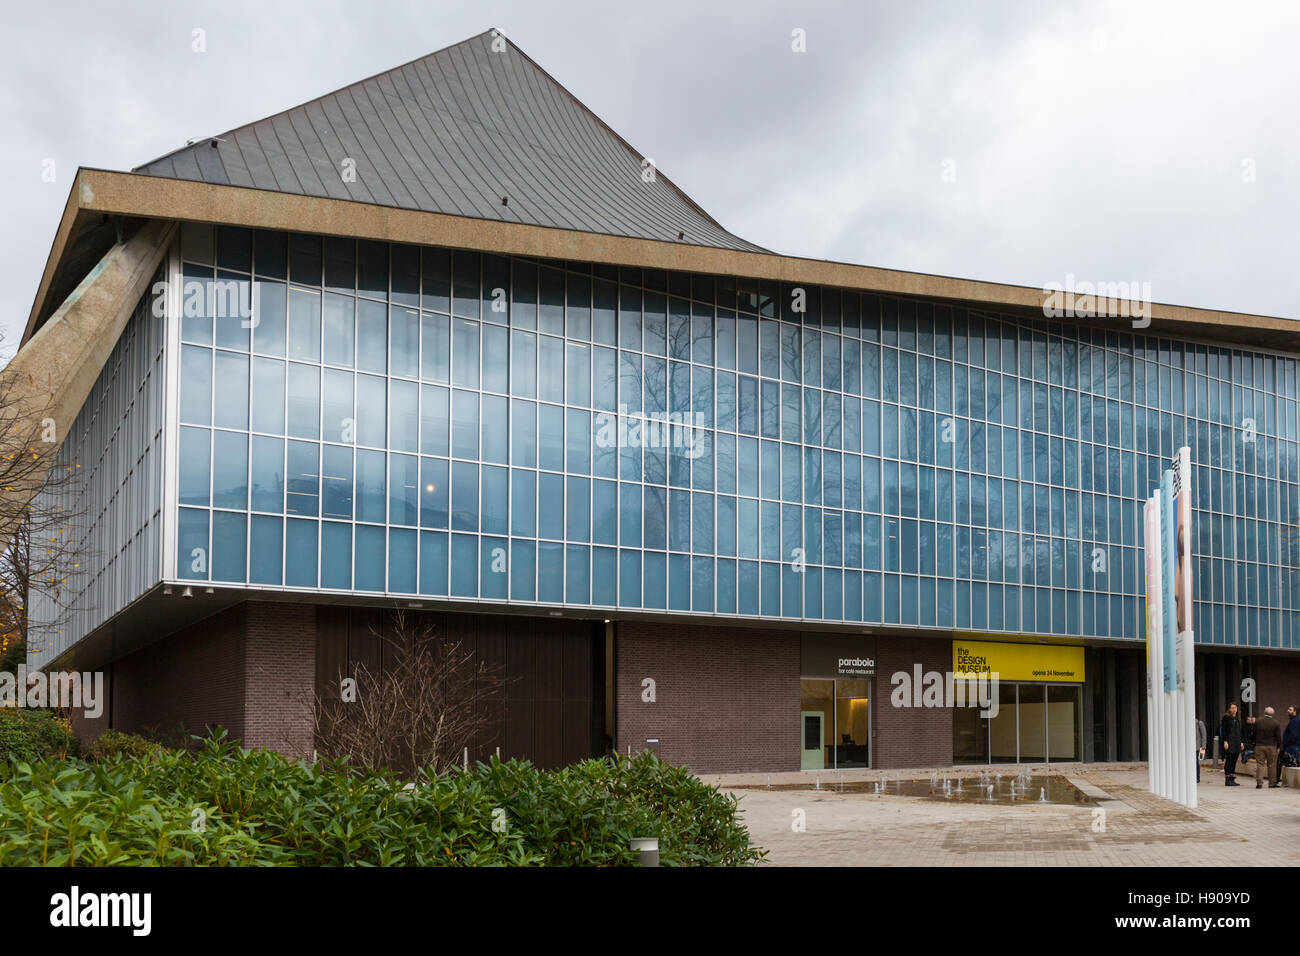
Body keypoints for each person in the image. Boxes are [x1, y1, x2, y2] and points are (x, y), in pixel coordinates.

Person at [1255, 706, 1282, 789]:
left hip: (1259, 745)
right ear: (1272, 714)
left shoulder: (1258, 721)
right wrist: (1278, 746)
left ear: (1264, 712)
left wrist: (1255, 742)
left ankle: (1259, 783)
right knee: (1272, 765)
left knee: (1260, 764)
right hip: (1271, 746)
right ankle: (1272, 783)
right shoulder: (1276, 723)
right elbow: (1278, 737)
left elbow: (1253, 733)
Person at [1220, 703, 1243, 786]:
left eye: (1235, 708)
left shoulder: (1237, 718)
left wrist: (1241, 742)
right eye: (1232, 708)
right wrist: (1225, 741)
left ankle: (1232, 778)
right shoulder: (1226, 718)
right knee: (1229, 760)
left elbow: (1239, 732)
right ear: (1229, 709)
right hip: (1230, 742)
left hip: (1237, 742)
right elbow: (1224, 730)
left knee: (1234, 760)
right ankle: (1227, 779)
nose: (1234, 709)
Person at [1282, 705, 1300, 786]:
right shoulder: (1294, 721)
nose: (1287, 711)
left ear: (1295, 712)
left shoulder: (1294, 721)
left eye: (1290, 709)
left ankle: (1293, 783)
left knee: (1292, 764)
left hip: (1292, 747)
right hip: (1293, 746)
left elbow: (1294, 735)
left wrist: (1287, 744)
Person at [1195, 716, 1206, 783]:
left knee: (1196, 762)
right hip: (1189, 747)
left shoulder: (1199, 722)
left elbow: (1203, 734)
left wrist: (1203, 745)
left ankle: (1197, 777)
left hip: (1197, 746)